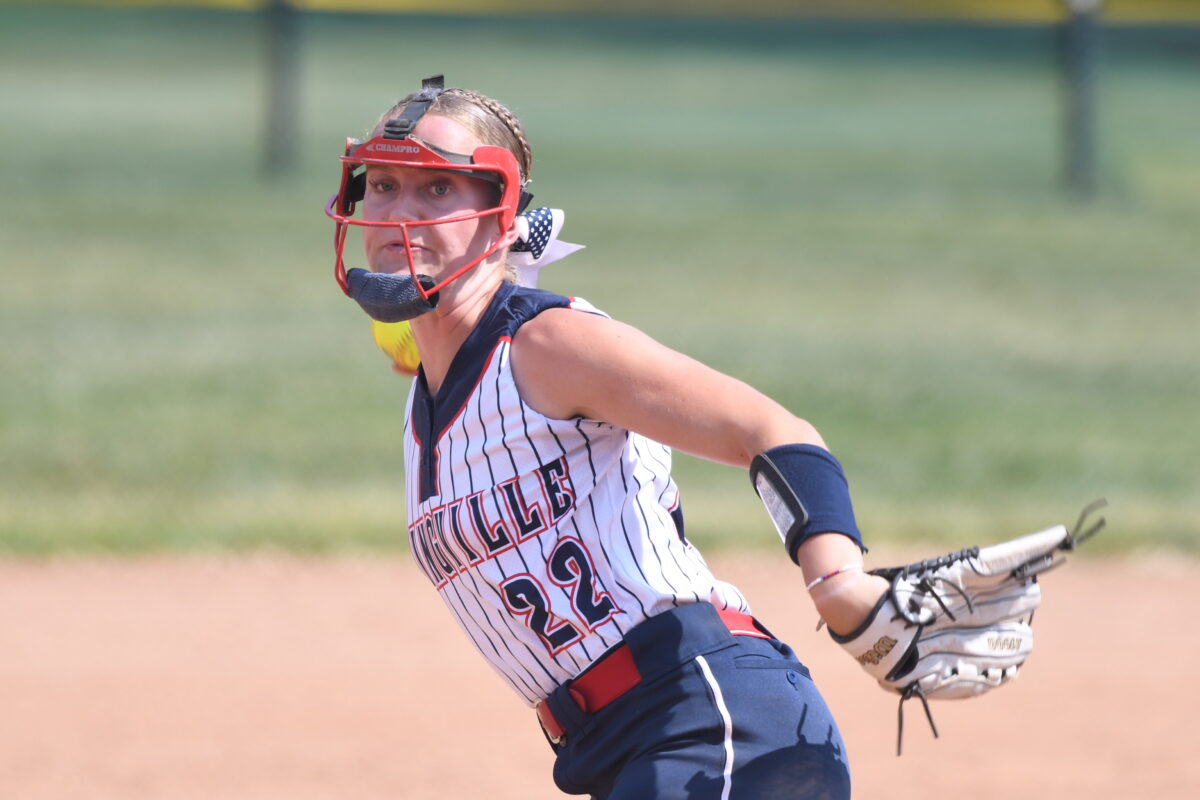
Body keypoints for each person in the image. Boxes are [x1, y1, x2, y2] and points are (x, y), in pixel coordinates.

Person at [324, 75, 894, 799]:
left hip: (713, 719)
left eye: (438, 190)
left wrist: (839, 582)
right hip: (622, 747)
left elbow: (772, 430)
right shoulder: (428, 403)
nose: (401, 211)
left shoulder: (547, 344)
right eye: (385, 185)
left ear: (499, 219)